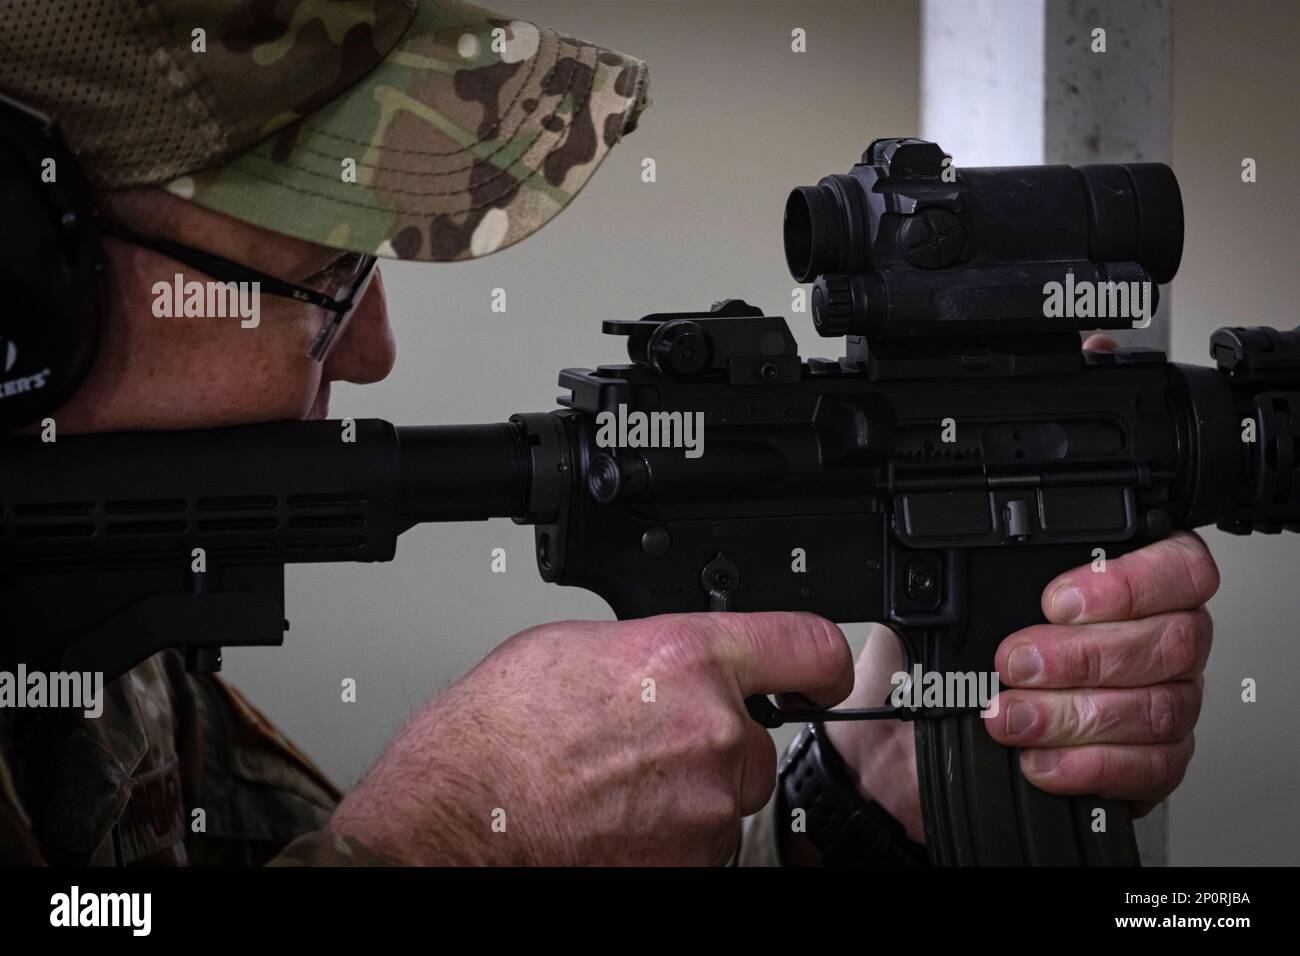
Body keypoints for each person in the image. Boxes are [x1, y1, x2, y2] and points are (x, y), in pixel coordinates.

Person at [0, 0, 1216, 866]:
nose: (370, 351)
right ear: (21, 281)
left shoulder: (101, 675)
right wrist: (453, 843)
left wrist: (859, 795)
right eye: (323, 274)